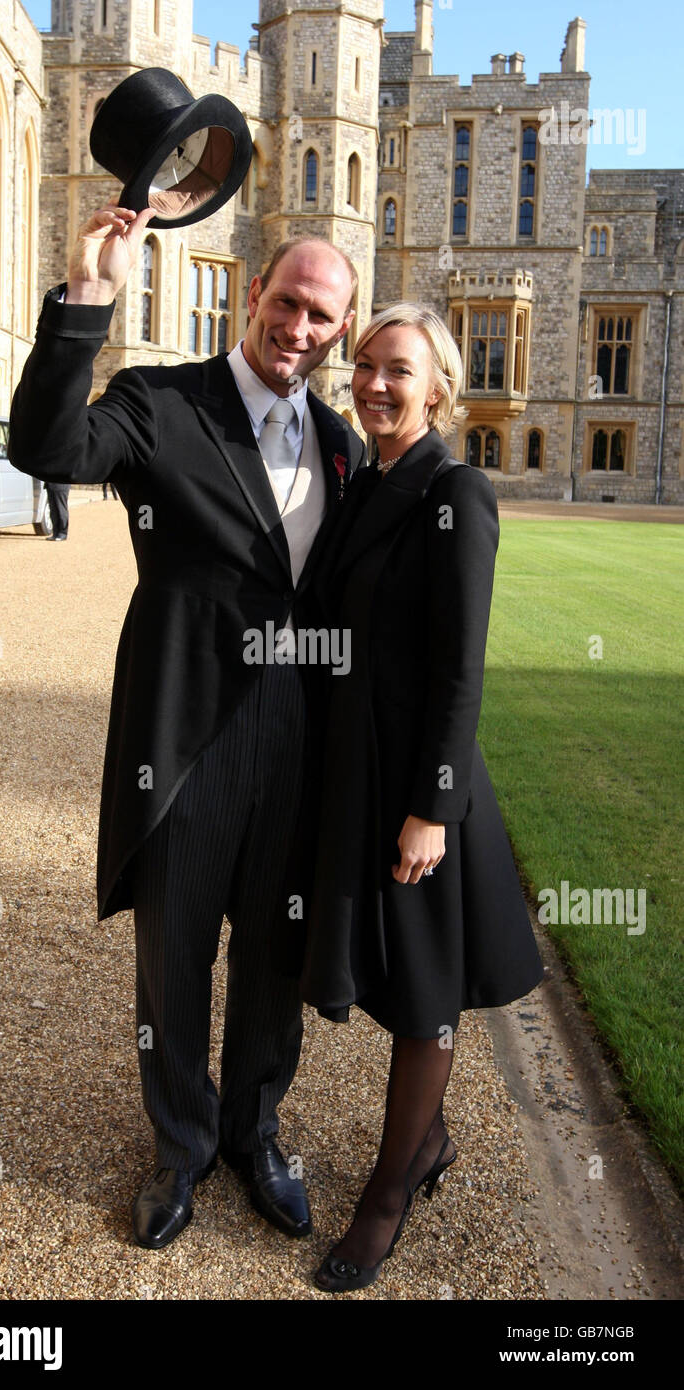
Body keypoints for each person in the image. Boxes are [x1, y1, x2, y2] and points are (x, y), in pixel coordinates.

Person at [8, 205, 365, 1250]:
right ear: (253, 292)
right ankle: (180, 1146)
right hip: (186, 743)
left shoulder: (339, 444)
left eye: (320, 315)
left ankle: (255, 1134)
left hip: (295, 745)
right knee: (174, 967)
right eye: (287, 302)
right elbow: (47, 444)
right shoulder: (162, 404)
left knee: (273, 956)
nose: (298, 326)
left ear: (338, 330)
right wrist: (90, 292)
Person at [298, 304, 544, 1292]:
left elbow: (460, 667)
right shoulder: (364, 484)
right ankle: (430, 1141)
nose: (372, 383)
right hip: (356, 767)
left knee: (425, 996)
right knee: (393, 978)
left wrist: (432, 806)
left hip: (416, 784)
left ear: (435, 386)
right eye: (361, 366)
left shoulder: (455, 491)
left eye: (395, 369)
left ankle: (387, 1196)